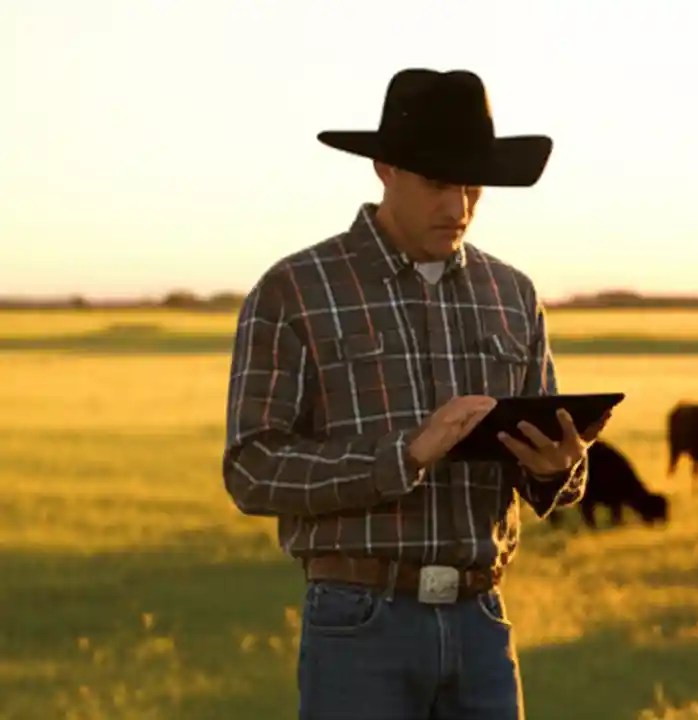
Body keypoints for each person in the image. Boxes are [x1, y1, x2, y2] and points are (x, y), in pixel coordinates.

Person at [221, 68, 610, 719]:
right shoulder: (296, 290)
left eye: (471, 185)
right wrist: (404, 456)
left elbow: (557, 477)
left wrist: (560, 469)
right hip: (358, 626)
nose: (458, 207)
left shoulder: (511, 294)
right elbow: (252, 470)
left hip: (483, 621)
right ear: (385, 169)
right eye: (438, 183)